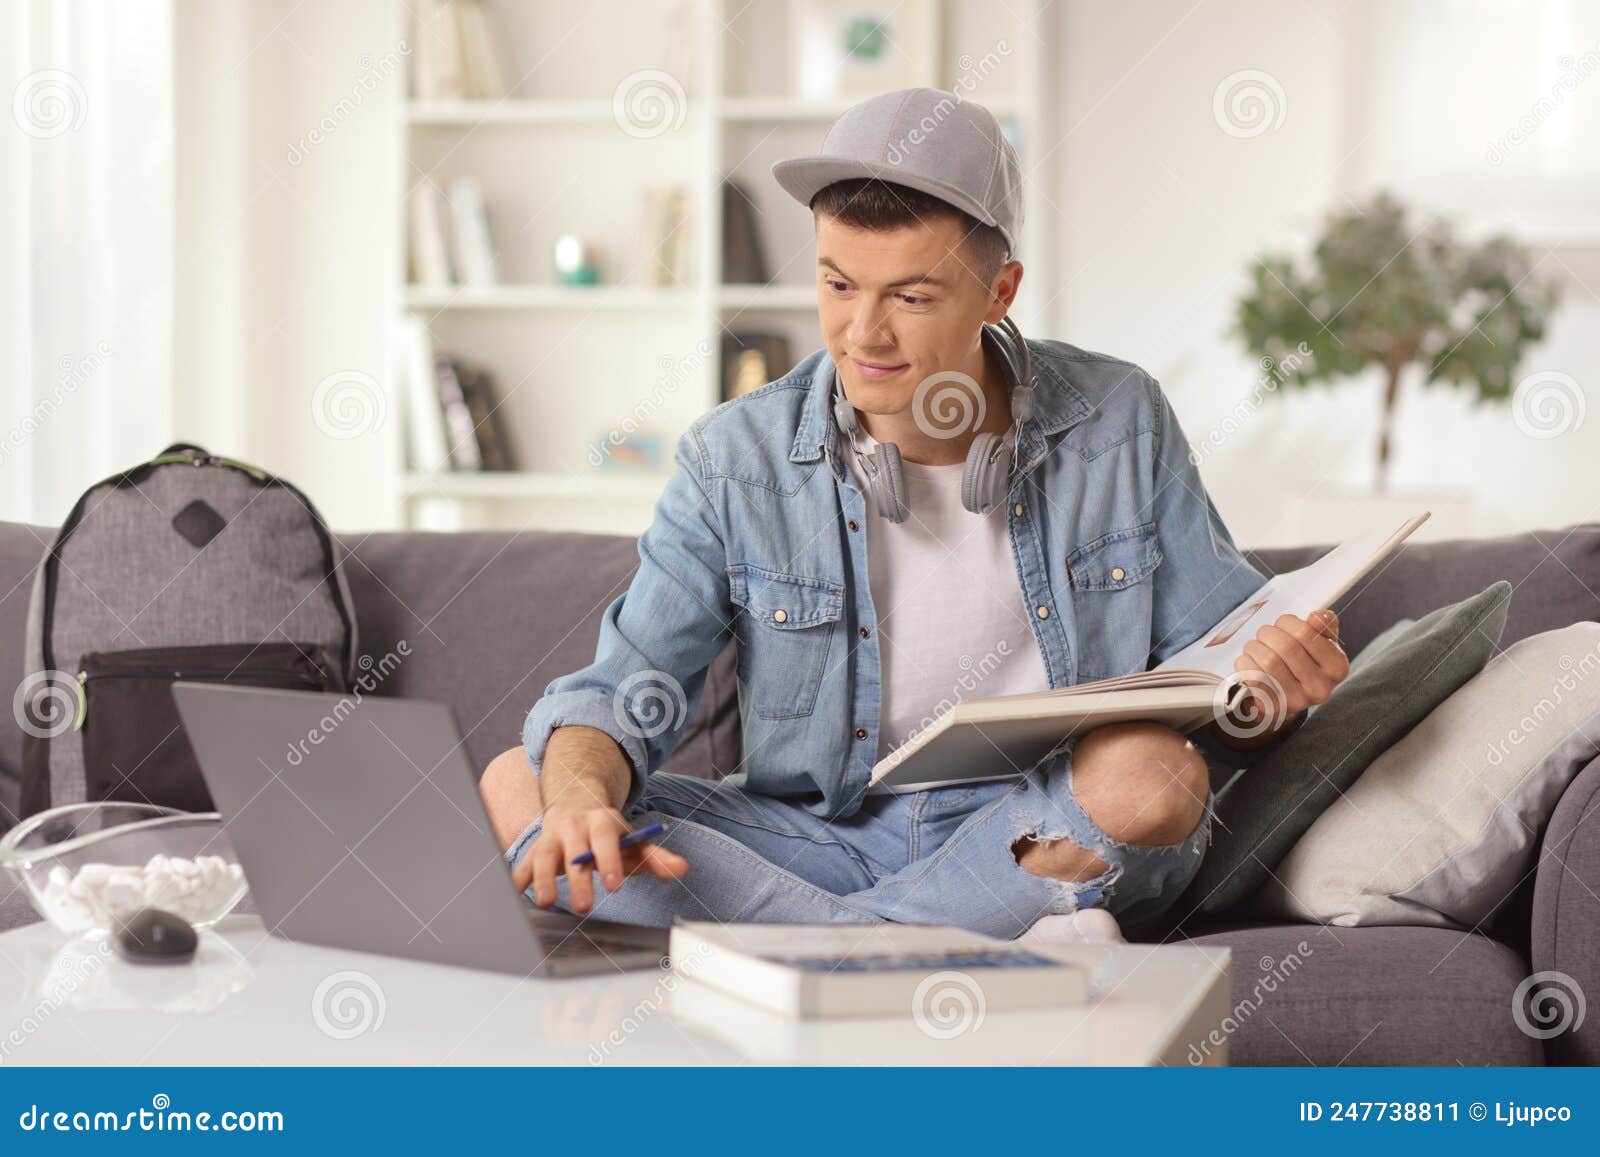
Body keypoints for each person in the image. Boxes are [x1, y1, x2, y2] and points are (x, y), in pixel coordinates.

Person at [479, 88, 1349, 943]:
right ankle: (929, 935)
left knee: (1156, 776)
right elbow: (625, 690)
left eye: (912, 296)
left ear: (999, 291)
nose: (864, 334)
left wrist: (1274, 692)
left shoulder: (1120, 419)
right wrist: (582, 801)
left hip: (1036, 825)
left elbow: (1223, 677)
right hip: (813, 839)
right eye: (837, 283)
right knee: (524, 778)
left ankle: (812, 945)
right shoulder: (733, 458)